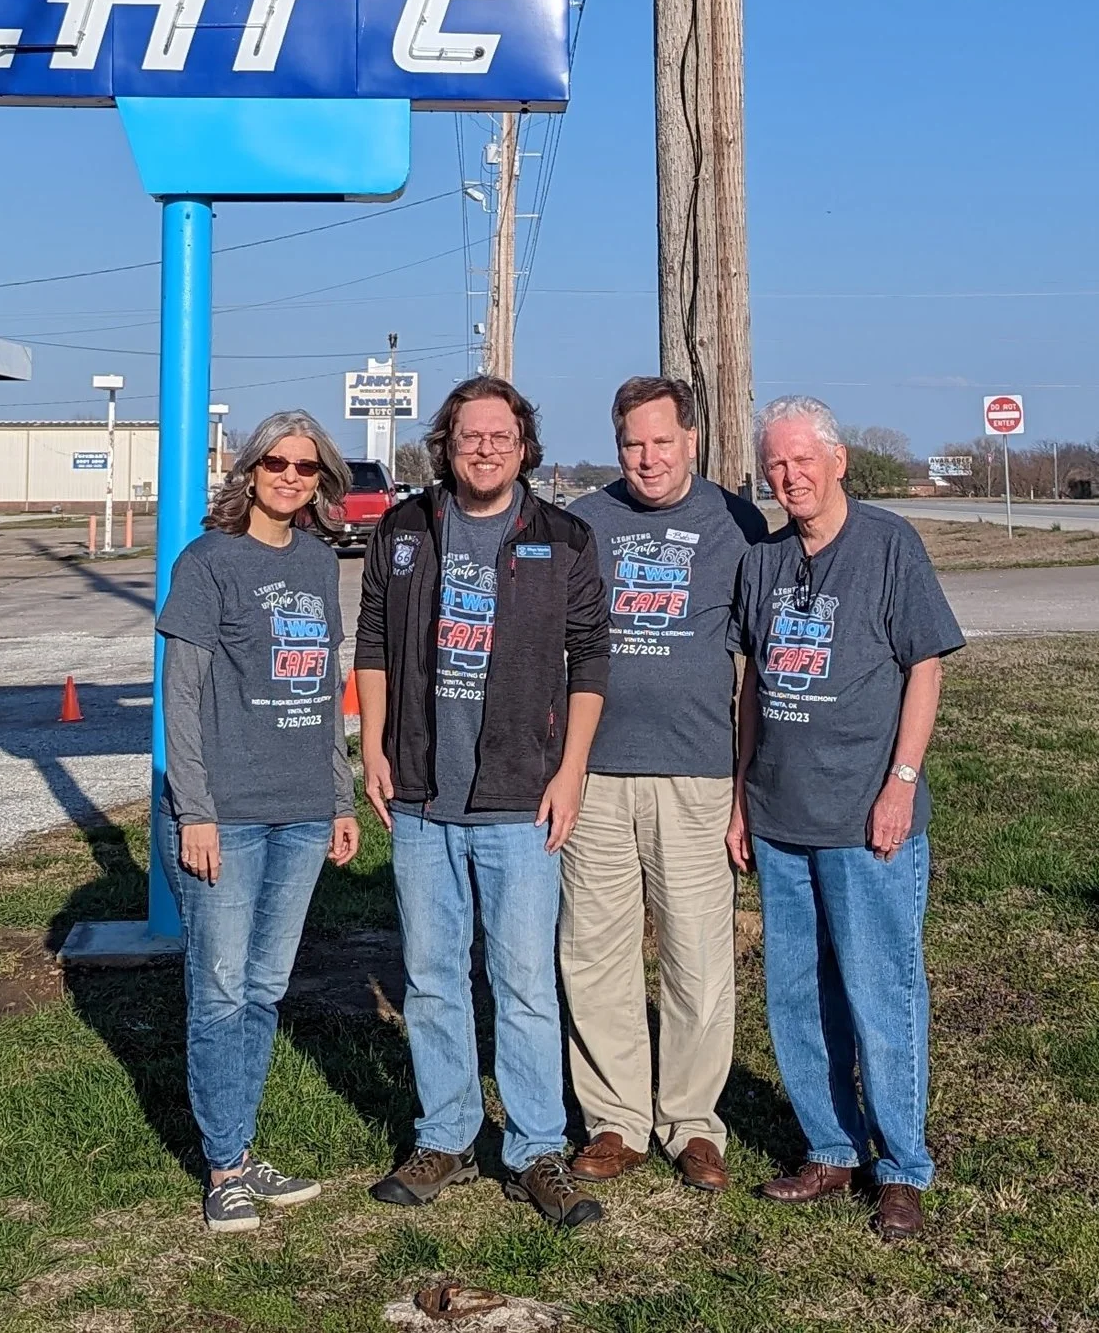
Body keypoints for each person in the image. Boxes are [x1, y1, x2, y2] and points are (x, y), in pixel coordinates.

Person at [354, 374, 612, 1229]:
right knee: (430, 980)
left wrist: (569, 771)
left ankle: (538, 1148)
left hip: (520, 798)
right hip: (425, 797)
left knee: (525, 982)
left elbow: (590, 662)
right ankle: (447, 1135)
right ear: (447, 443)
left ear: (525, 446)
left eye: (501, 435)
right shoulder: (402, 530)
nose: (485, 448)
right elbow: (375, 647)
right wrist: (376, 748)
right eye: (470, 435)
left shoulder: (564, 539)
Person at [729, 395, 963, 1243]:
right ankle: (829, 1147)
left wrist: (901, 783)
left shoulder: (890, 546)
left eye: (801, 462)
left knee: (881, 989)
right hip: (781, 818)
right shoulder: (762, 563)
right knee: (796, 995)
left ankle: (901, 1166)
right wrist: (739, 793)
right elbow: (752, 683)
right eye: (775, 466)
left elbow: (925, 669)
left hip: (870, 821)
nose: (788, 478)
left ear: (837, 463)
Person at [558, 377, 768, 1192]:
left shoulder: (736, 522)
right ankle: (615, 1121)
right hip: (597, 777)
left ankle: (692, 1124)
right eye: (632, 444)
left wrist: (746, 783)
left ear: (693, 440)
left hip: (698, 773)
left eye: (661, 442)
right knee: (595, 953)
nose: (647, 459)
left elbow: (754, 661)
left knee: (699, 956)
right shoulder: (586, 523)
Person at [156, 410, 362, 1234]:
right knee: (220, 993)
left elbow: (324, 694)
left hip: (302, 813)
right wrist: (194, 811)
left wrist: (340, 799)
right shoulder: (208, 563)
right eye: (275, 462)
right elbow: (181, 698)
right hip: (227, 818)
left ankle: (242, 1148)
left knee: (267, 989)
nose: (288, 477)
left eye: (305, 468)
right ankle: (224, 1167)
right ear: (248, 471)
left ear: (321, 481)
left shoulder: (317, 563)